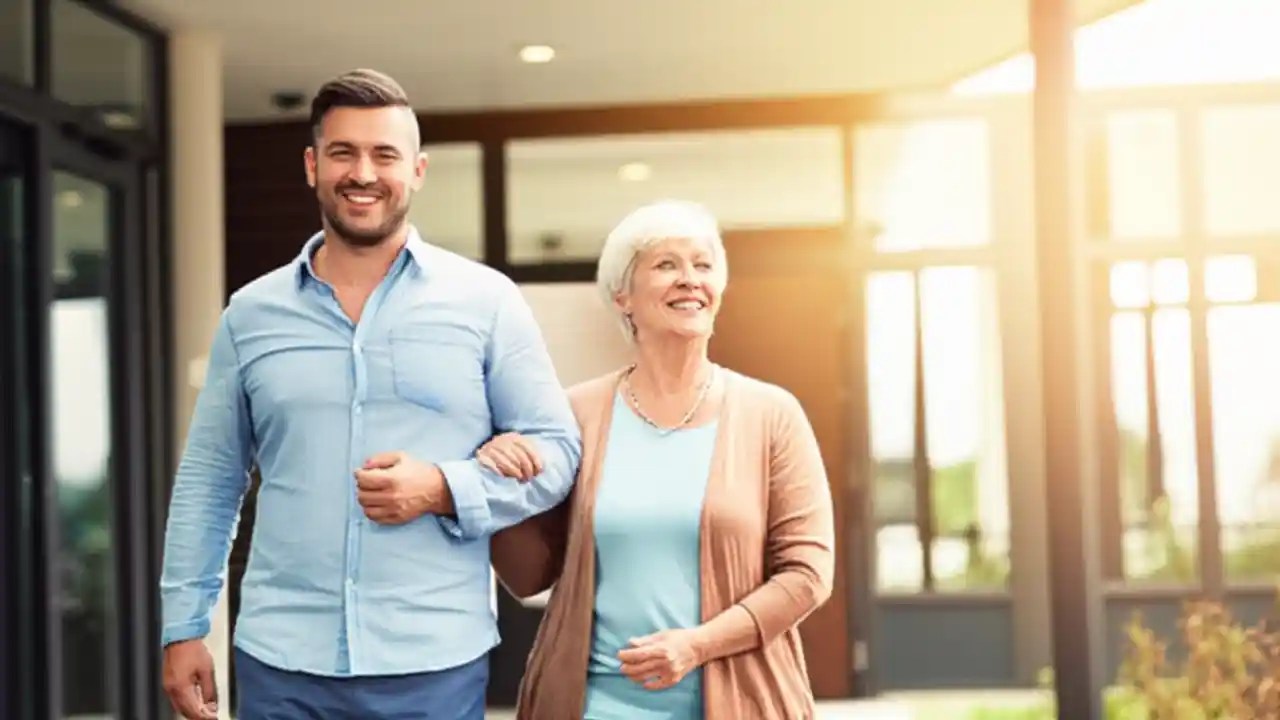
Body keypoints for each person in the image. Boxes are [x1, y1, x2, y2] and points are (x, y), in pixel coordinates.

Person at [158, 68, 581, 720]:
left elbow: (557, 451)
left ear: (416, 170)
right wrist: (183, 625)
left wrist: (444, 488)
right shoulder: (250, 315)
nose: (363, 173)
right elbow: (210, 480)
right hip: (281, 666)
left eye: (384, 154)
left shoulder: (487, 302)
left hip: (433, 664)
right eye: (343, 153)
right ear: (311, 165)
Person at [486, 200, 835, 719]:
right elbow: (530, 574)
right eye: (666, 265)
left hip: (738, 703)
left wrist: (698, 645)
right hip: (595, 705)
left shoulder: (771, 414)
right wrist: (499, 483)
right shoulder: (576, 412)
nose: (689, 279)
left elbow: (807, 574)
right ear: (622, 295)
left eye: (703, 264)